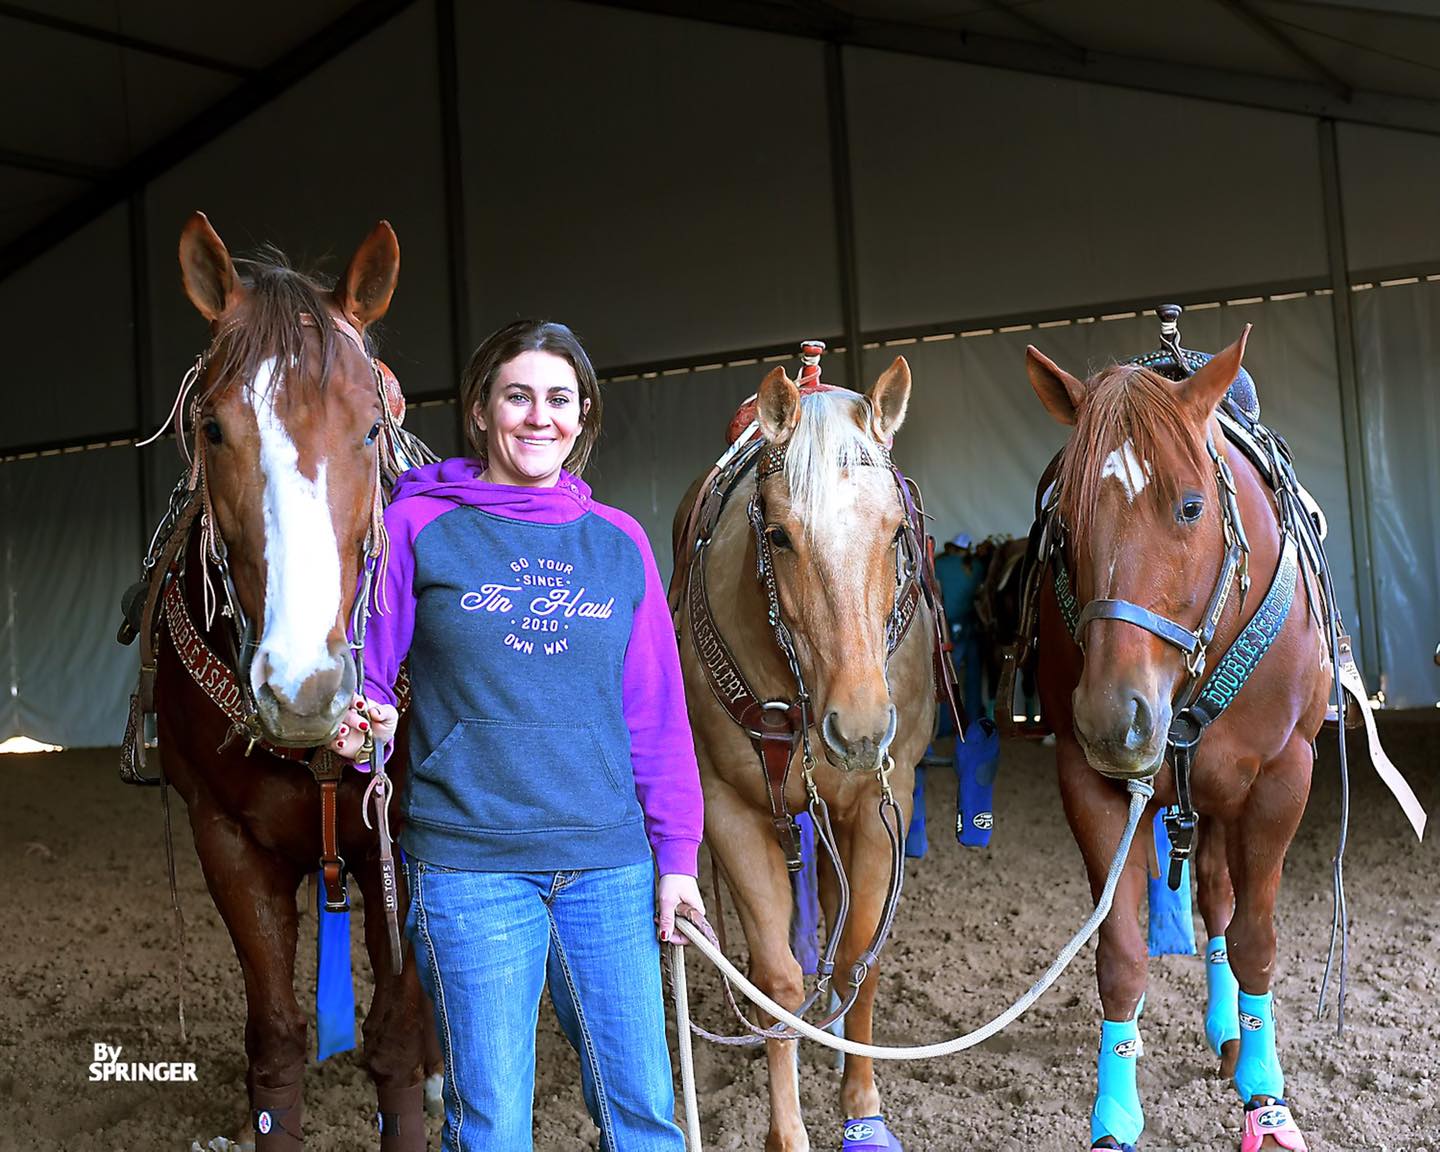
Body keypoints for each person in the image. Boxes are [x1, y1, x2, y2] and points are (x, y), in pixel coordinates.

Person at [330, 319, 704, 1151]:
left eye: (560, 400)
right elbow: (371, 685)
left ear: (584, 418)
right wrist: (369, 728)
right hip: (470, 869)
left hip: (609, 867)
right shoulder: (416, 527)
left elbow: (657, 716)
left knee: (644, 1117)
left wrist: (676, 861)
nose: (541, 418)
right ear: (480, 412)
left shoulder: (620, 543)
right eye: (519, 396)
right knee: (492, 1125)